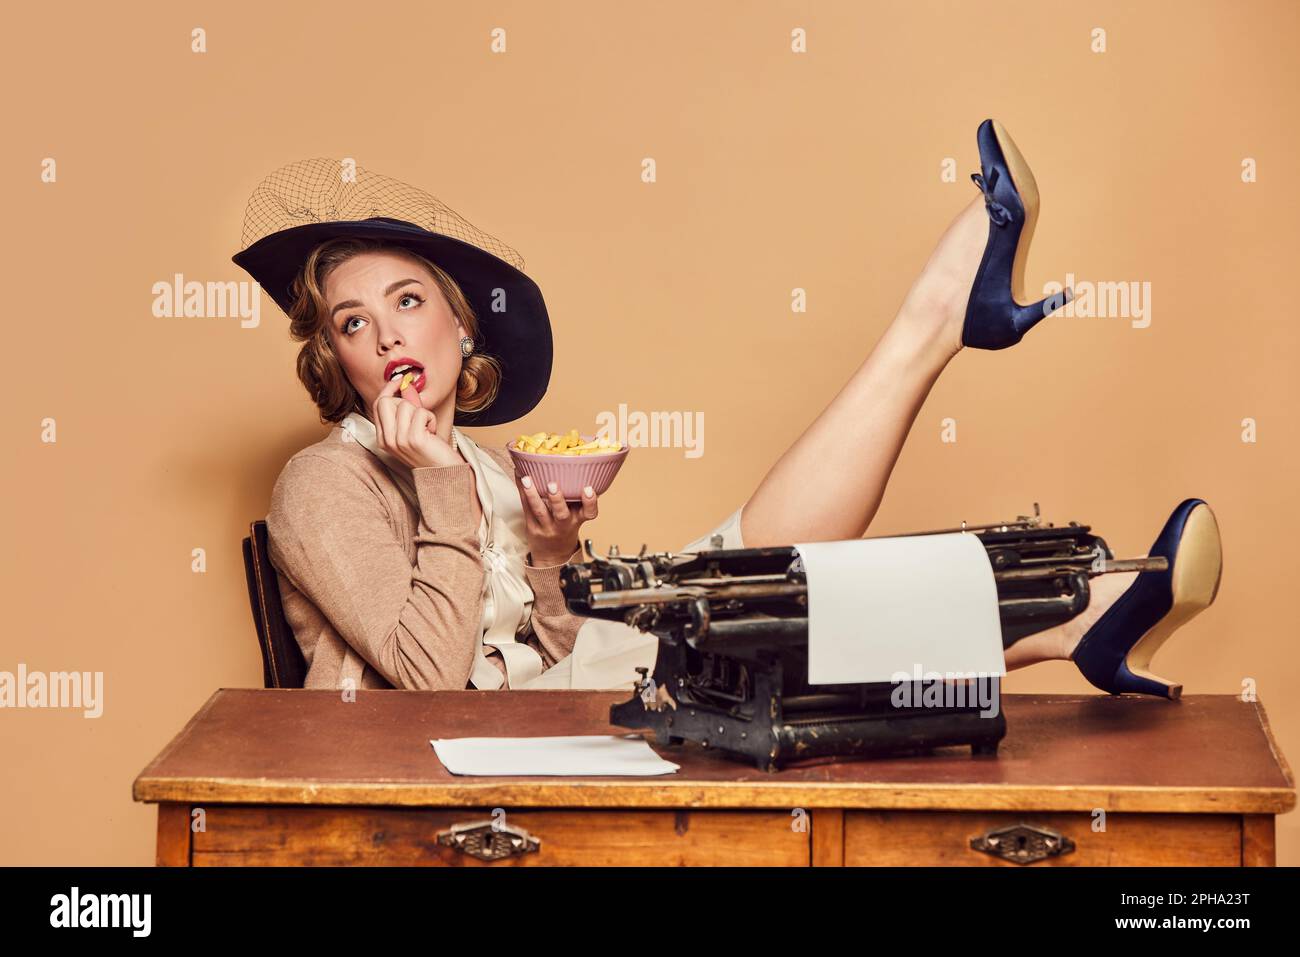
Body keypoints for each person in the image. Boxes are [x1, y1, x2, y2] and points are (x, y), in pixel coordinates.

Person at [236, 120, 1221, 699]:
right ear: (338, 359)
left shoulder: (491, 466)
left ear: (461, 328)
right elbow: (424, 686)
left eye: (408, 303)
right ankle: (1064, 600)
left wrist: (547, 556)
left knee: (764, 589)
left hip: (550, 711)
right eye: (353, 324)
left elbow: (560, 651)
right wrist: (441, 486)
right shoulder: (321, 480)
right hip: (449, 758)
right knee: (755, 604)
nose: (388, 337)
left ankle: (1075, 610)